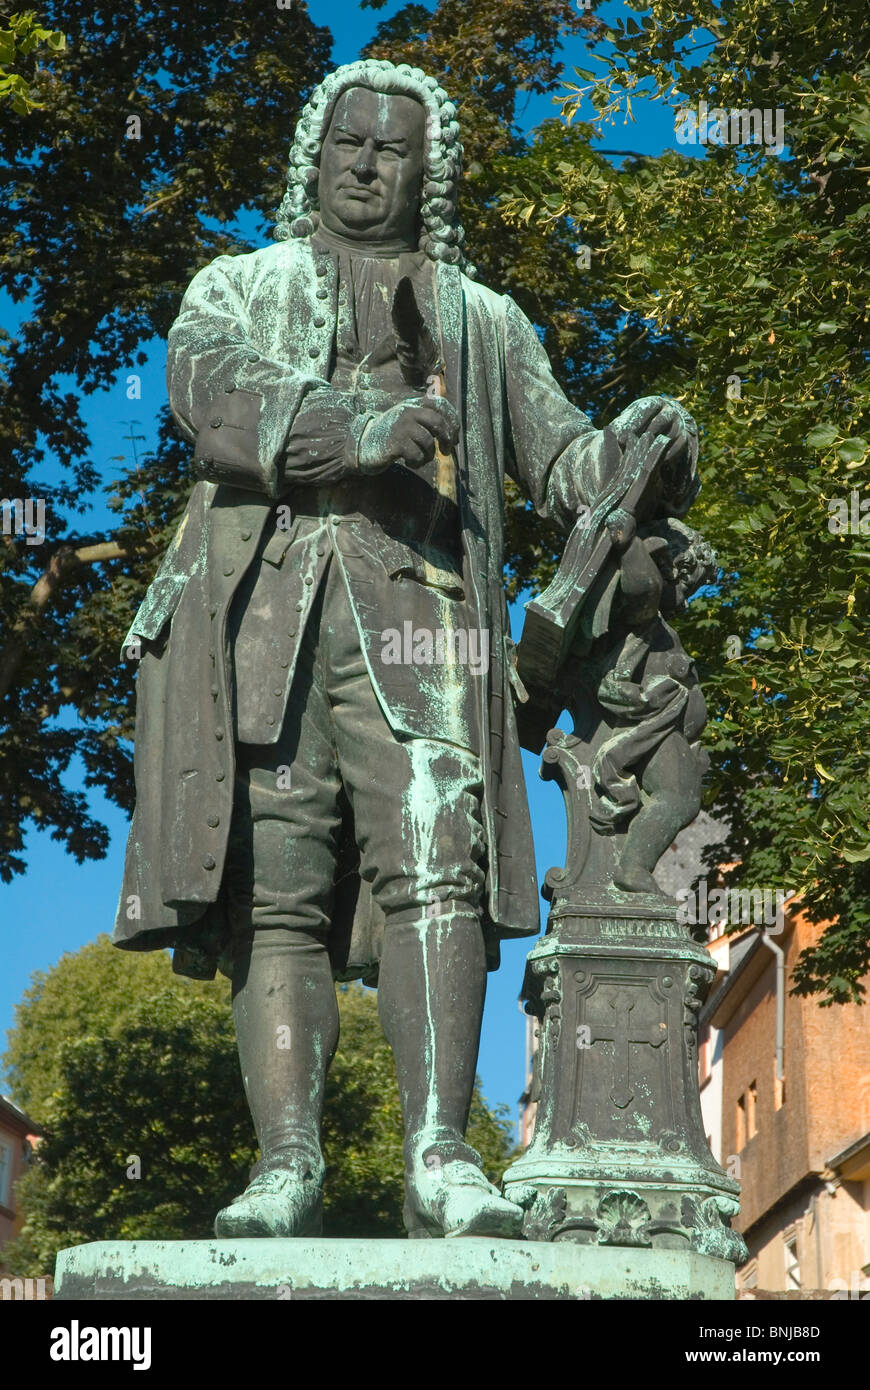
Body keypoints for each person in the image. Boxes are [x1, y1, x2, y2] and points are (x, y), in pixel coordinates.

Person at [113, 58, 696, 1239]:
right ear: (312, 159)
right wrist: (355, 430)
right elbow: (205, 388)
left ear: (426, 173)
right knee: (275, 883)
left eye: (391, 150)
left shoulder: (485, 322)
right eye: (348, 146)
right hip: (260, 626)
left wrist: (634, 451)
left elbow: (562, 457)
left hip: (426, 629)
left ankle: (440, 1152)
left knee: (440, 850)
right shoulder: (238, 285)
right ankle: (287, 1164)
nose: (366, 166)